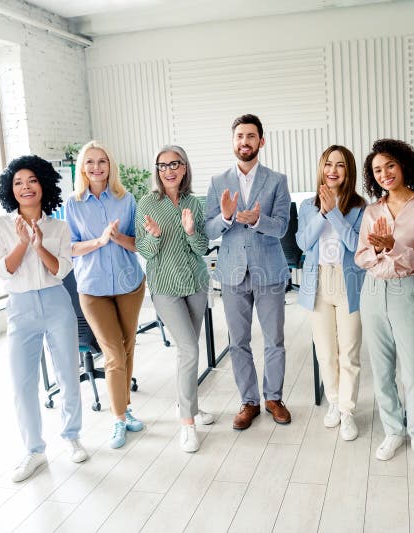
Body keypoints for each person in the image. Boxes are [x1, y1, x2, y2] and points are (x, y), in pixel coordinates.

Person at [0, 155, 88, 483]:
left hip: (56, 302)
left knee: (67, 374)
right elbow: (4, 270)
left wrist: (39, 244)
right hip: (20, 307)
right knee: (21, 383)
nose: (26, 187)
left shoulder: (58, 226)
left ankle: (72, 436)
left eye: (31, 180)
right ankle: (33, 450)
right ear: (10, 190)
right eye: (18, 182)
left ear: (43, 184)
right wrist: (22, 243)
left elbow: (61, 269)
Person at [204, 114, 292, 430]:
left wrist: (257, 220)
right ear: (233, 141)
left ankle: (274, 398)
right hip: (231, 273)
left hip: (268, 271)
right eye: (240, 136)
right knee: (238, 341)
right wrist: (226, 217)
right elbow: (208, 229)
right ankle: (249, 401)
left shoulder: (278, 180)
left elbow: (282, 227)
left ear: (261, 141)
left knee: (274, 340)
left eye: (251, 136)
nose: (245, 142)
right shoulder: (217, 182)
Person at [355, 139, 414, 466]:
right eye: (377, 170)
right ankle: (393, 431)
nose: (384, 173)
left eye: (390, 165)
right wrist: (376, 249)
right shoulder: (372, 211)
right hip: (372, 292)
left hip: (406, 292)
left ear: (404, 165)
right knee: (382, 369)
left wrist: (393, 246)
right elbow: (362, 257)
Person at [65, 140, 146, 450]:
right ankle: (117, 420)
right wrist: (99, 242)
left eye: (102, 161)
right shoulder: (73, 204)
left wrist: (118, 237)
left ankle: (124, 410)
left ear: (110, 166)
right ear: (82, 168)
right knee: (113, 354)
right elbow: (70, 248)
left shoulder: (126, 200)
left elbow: (140, 244)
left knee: (127, 348)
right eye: (90, 162)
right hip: (93, 289)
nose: (96, 167)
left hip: (129, 285)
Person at [136, 145, 215, 452]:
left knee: (187, 353)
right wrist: (154, 236)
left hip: (195, 284)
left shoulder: (195, 203)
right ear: (158, 171)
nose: (168, 170)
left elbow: (202, 248)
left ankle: (190, 406)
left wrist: (192, 230)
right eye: (162, 165)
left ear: (184, 168)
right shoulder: (146, 203)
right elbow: (142, 250)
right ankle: (187, 424)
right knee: (189, 348)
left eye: (174, 164)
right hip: (166, 287)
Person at [296, 145, 366, 440]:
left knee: (349, 352)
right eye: (328, 164)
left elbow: (357, 246)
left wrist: (336, 214)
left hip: (349, 282)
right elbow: (302, 243)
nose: (333, 170)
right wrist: (323, 214)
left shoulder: (361, 207)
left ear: (348, 171)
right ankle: (335, 403)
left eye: (339, 165)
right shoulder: (308, 207)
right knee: (326, 352)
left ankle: (348, 411)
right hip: (318, 281)